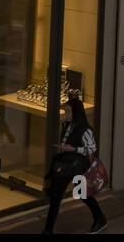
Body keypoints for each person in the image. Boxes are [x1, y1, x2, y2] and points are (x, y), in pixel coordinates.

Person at [43, 97, 107, 233]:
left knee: (82, 193)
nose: (66, 114)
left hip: (77, 166)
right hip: (65, 165)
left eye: (68, 112)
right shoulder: (67, 125)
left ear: (76, 113)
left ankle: (100, 218)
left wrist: (74, 149)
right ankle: (48, 230)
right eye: (65, 111)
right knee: (56, 196)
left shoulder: (85, 130)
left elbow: (92, 149)